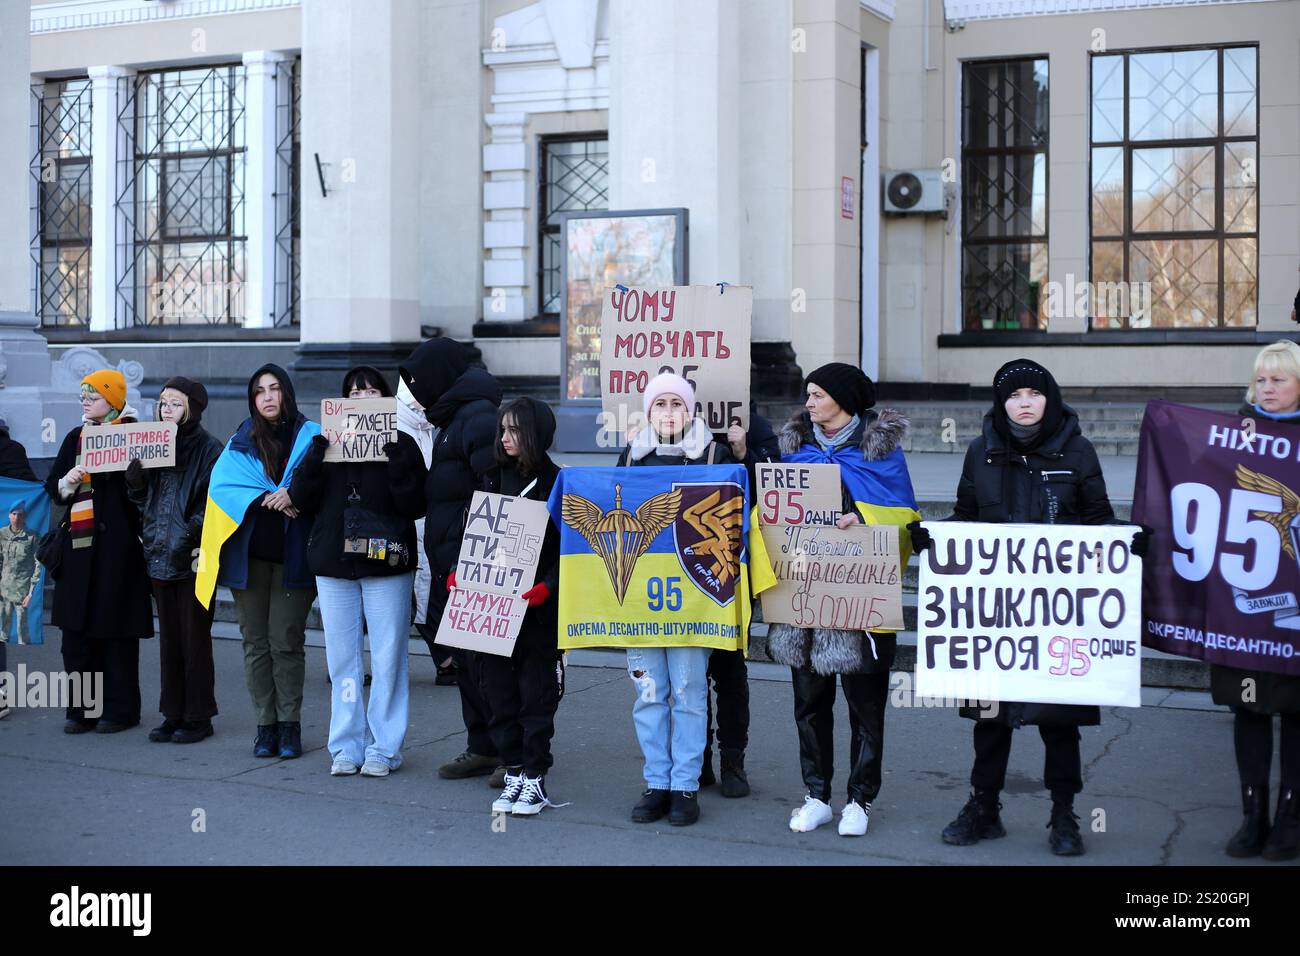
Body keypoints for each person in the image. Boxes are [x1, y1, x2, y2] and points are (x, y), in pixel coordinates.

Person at [911, 358, 1117, 857]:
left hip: (1057, 611)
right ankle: (984, 807)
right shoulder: (981, 453)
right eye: (1013, 396)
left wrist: (1126, 545)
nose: (1024, 404)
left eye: (1033, 394)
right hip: (995, 613)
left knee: (1059, 719)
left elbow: (1099, 521)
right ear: (1001, 404)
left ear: (1049, 398)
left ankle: (1064, 814)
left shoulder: (1079, 452)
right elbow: (966, 515)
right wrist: (935, 538)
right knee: (989, 718)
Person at [768, 364, 919, 837]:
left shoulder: (882, 454)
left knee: (865, 708)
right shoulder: (793, 450)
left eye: (817, 395)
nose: (809, 403)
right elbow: (768, 515)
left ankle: (859, 799)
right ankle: (816, 795)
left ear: (843, 400)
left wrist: (865, 520)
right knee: (808, 705)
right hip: (805, 597)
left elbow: (907, 522)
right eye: (808, 395)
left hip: (861, 601)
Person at [289, 366, 427, 778]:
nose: (362, 396)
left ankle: (384, 747)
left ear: (383, 397)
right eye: (354, 391)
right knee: (342, 661)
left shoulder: (401, 444)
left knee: (388, 659)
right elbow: (300, 498)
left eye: (370, 390)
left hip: (387, 565)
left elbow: (415, 504)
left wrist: (398, 460)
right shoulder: (325, 446)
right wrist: (316, 454)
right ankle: (347, 745)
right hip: (334, 565)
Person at [616, 372, 736, 827]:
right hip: (641, 600)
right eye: (660, 405)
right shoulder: (630, 456)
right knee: (649, 694)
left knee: (687, 693)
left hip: (694, 597)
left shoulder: (713, 454)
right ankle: (657, 783)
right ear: (648, 411)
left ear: (691, 411)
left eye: (677, 405)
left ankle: (685, 785)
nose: (669, 413)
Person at [398, 338, 504, 784]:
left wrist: (471, 553)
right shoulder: (452, 416)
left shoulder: (475, 416)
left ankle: (507, 751)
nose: (415, 393)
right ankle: (481, 746)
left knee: (487, 665)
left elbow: (495, 486)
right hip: (452, 562)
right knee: (466, 662)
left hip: (473, 564)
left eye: (418, 382)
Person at [200, 364, 319, 759]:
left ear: (287, 393)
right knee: (254, 644)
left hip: (293, 559)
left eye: (274, 389)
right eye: (259, 392)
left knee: (285, 642)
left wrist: (294, 494)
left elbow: (325, 488)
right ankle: (264, 727)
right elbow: (222, 490)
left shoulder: (314, 438)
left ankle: (290, 726)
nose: (267, 397)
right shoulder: (240, 442)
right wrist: (261, 497)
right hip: (248, 558)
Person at [1213, 340, 1300, 861]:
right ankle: (1253, 815)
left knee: (1295, 711)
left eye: (1280, 380)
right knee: (1247, 707)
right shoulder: (1230, 435)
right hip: (1242, 599)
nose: (1267, 389)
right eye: (1261, 380)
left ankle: (1290, 817)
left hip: (1293, 605)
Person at [44, 370, 153, 734]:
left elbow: (144, 496)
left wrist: (134, 478)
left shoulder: (134, 436)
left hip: (118, 553)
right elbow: (53, 488)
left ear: (114, 400)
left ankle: (120, 710)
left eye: (93, 396)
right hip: (78, 550)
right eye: (83, 396)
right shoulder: (75, 437)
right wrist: (67, 482)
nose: (86, 402)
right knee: (76, 636)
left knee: (116, 632)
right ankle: (81, 709)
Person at [125, 377, 223, 744]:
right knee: (170, 640)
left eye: (175, 404)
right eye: (163, 403)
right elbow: (144, 503)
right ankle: (172, 713)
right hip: (159, 553)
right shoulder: (152, 445)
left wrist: (185, 535)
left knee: (194, 637)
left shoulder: (210, 449)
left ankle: (198, 715)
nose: (166, 410)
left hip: (193, 557)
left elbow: (212, 504)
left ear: (192, 409)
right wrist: (135, 483)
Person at [478, 397, 563, 815]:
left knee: (536, 693)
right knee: (498, 691)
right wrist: (462, 574)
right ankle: (512, 769)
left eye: (515, 430)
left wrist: (548, 587)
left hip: (538, 612)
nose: (506, 438)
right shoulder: (490, 478)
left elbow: (570, 550)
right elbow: (470, 535)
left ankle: (534, 776)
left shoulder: (556, 483)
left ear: (535, 434)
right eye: (503, 430)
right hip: (492, 606)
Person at [692, 409, 783, 796]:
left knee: (728, 672)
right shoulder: (647, 438)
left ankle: (732, 761)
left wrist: (744, 453)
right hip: (677, 576)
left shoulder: (751, 422)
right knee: (688, 678)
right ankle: (696, 761)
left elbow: (771, 494)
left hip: (726, 573)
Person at [394, 376, 451, 684]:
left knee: (424, 589)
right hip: (405, 521)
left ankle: (442, 657)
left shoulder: (426, 425)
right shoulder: (404, 425)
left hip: (426, 519)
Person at [0, 504, 41, 646]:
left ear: (25, 516)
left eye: (20, 514)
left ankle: (25, 663)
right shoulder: (1, 534)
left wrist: (30, 594)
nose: (17, 517)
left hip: (22, 591)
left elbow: (38, 565)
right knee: (2, 634)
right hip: (3, 590)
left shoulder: (32, 537)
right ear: (9, 515)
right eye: (14, 514)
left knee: (22, 636)